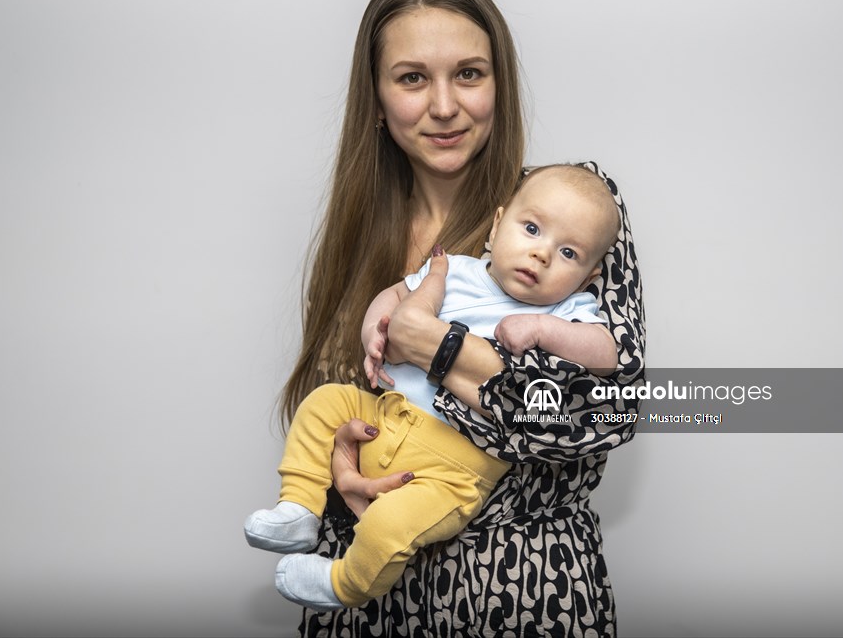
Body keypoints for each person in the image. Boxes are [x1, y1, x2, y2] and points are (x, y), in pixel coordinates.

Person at [269, 0, 645, 637]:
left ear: (498, 85)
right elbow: (346, 405)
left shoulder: (567, 211)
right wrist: (341, 471)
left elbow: (604, 414)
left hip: (520, 588)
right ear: (377, 101)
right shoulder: (358, 240)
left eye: (468, 73)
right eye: (412, 78)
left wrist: (437, 348)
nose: (444, 106)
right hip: (365, 598)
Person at [246, 165, 623, 612]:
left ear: (588, 276)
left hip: (454, 470)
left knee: (390, 524)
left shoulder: (569, 308)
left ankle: (345, 583)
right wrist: (375, 331)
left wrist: (545, 328)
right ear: (498, 224)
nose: (541, 254)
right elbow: (395, 296)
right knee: (324, 403)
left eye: (567, 252)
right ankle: (299, 509)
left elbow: (609, 358)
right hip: (386, 416)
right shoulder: (457, 271)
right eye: (532, 229)